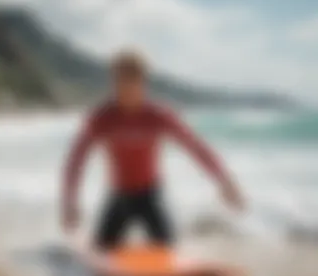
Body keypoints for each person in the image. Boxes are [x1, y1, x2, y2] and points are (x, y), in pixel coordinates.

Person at [62, 50, 245, 250]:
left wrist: (225, 182)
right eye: (120, 82)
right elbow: (76, 159)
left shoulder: (158, 115)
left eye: (131, 81)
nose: (125, 89)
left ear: (143, 82)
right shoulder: (103, 117)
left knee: (167, 250)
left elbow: (196, 147)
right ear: (114, 82)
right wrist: (70, 201)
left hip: (150, 195)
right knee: (102, 252)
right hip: (119, 196)